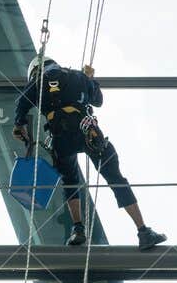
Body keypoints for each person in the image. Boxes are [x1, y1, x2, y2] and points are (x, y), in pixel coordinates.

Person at [13, 56, 167, 250]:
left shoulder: (38, 82)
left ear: (35, 70)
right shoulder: (77, 76)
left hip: (61, 137)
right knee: (115, 178)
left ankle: (78, 228)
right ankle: (143, 231)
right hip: (88, 132)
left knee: (70, 181)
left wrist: (20, 125)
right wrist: (89, 79)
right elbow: (98, 100)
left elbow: (21, 103)